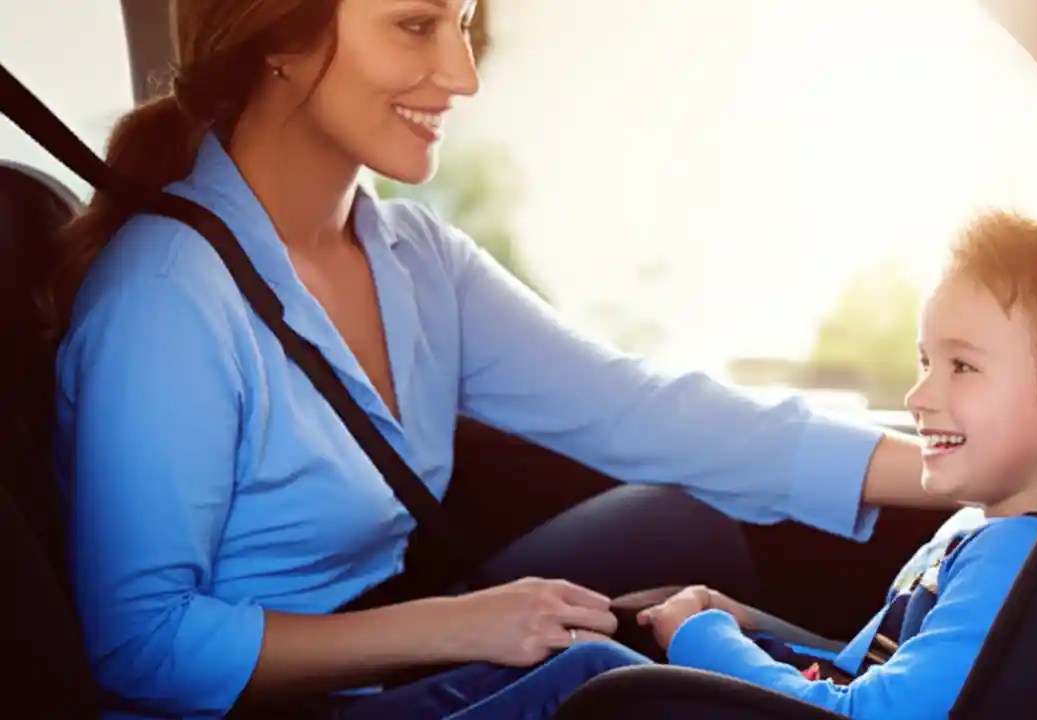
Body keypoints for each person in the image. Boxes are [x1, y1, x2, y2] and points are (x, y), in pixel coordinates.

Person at [51, 1, 933, 718]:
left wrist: (963, 470)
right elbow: (140, 647)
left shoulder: (412, 256)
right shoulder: (164, 297)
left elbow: (648, 411)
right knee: (621, 686)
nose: (463, 75)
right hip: (259, 710)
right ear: (282, 35)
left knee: (678, 522)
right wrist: (456, 628)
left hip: (386, 667)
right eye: (417, 25)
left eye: (465, 24)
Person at [635, 211, 1037, 719]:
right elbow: (875, 675)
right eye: (926, 361)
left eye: (961, 366)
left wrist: (701, 638)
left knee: (594, 676)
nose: (917, 396)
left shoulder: (1014, 564)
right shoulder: (979, 531)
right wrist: (751, 631)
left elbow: (869, 716)